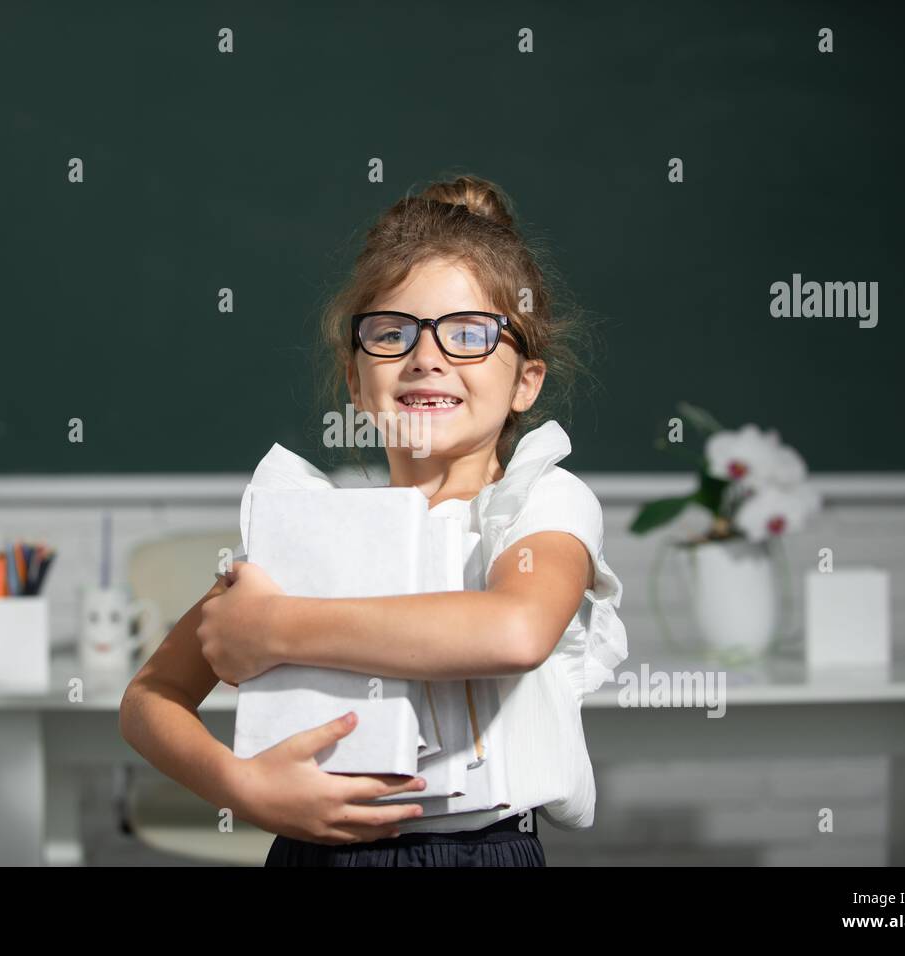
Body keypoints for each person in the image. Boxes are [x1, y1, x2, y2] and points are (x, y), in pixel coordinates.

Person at [119, 173, 628, 866]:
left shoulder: (542, 502)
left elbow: (515, 630)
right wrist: (241, 787)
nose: (427, 359)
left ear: (525, 381)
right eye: (391, 333)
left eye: (469, 334)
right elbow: (150, 698)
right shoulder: (312, 524)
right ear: (356, 380)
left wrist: (274, 627)